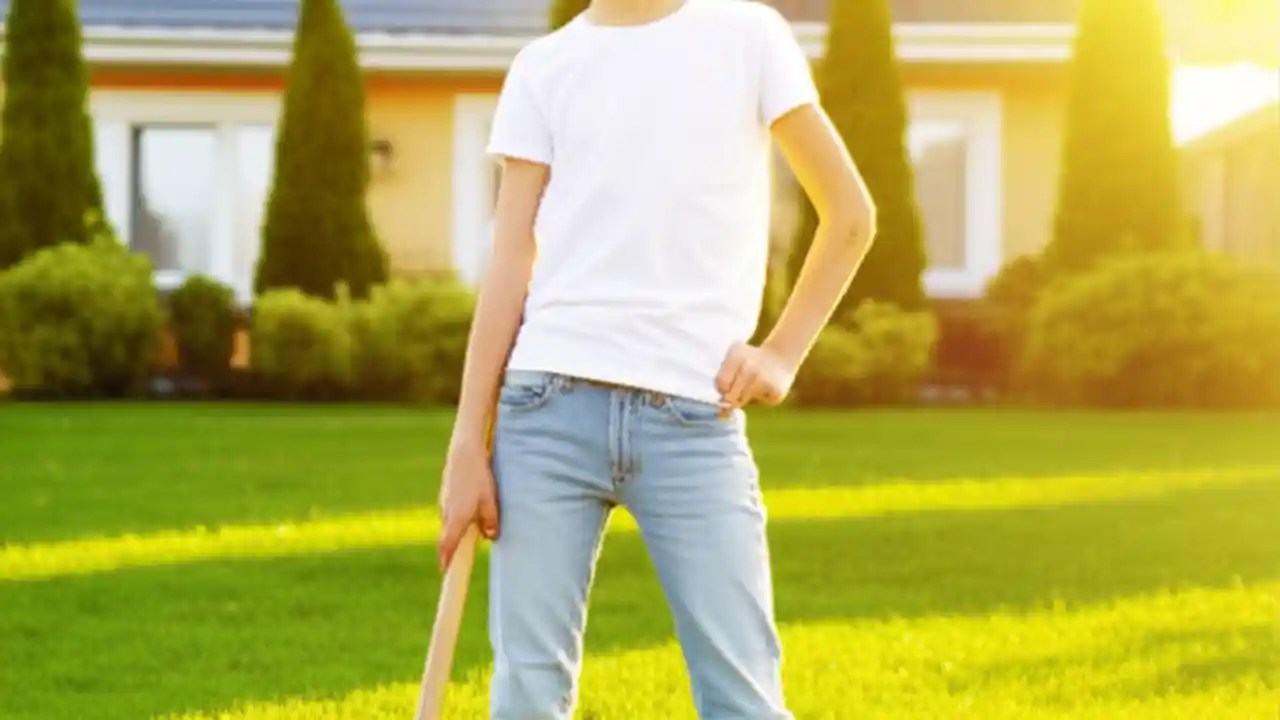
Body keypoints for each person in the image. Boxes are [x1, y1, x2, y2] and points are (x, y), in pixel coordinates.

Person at [437, 0, 875, 717]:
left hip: (694, 419)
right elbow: (510, 260)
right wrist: (466, 444)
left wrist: (783, 353)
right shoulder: (544, 68)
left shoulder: (747, 36)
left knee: (744, 698)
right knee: (527, 693)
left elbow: (851, 214)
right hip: (545, 412)